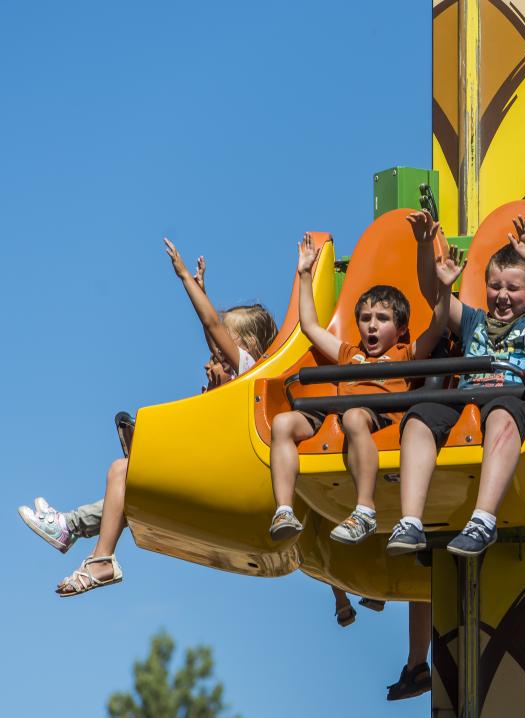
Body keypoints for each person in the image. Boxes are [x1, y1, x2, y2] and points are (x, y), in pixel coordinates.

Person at [22, 241, 279, 596]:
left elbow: (210, 324)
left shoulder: (248, 373)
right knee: (124, 476)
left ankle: (99, 557)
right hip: (208, 470)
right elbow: (212, 333)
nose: (212, 358)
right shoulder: (229, 381)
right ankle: (75, 532)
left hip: (224, 478)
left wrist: (186, 278)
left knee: (122, 472)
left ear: (247, 347)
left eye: (222, 350)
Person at [386, 215, 525, 557]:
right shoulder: (473, 320)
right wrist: (425, 245)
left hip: (508, 398)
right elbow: (431, 290)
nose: (502, 296)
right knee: (418, 416)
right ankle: (410, 521)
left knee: (501, 414)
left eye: (512, 288)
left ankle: (483, 521)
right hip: (465, 396)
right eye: (494, 286)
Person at [267, 213, 457, 543]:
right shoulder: (349, 353)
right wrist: (304, 274)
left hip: (379, 415)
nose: (371, 325)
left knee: (354, 417)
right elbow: (311, 327)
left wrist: (444, 288)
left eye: (381, 319)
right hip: (337, 412)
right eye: (366, 318)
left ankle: (364, 510)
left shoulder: (405, 353)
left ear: (399, 329)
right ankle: (284, 509)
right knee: (283, 423)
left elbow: (438, 326)